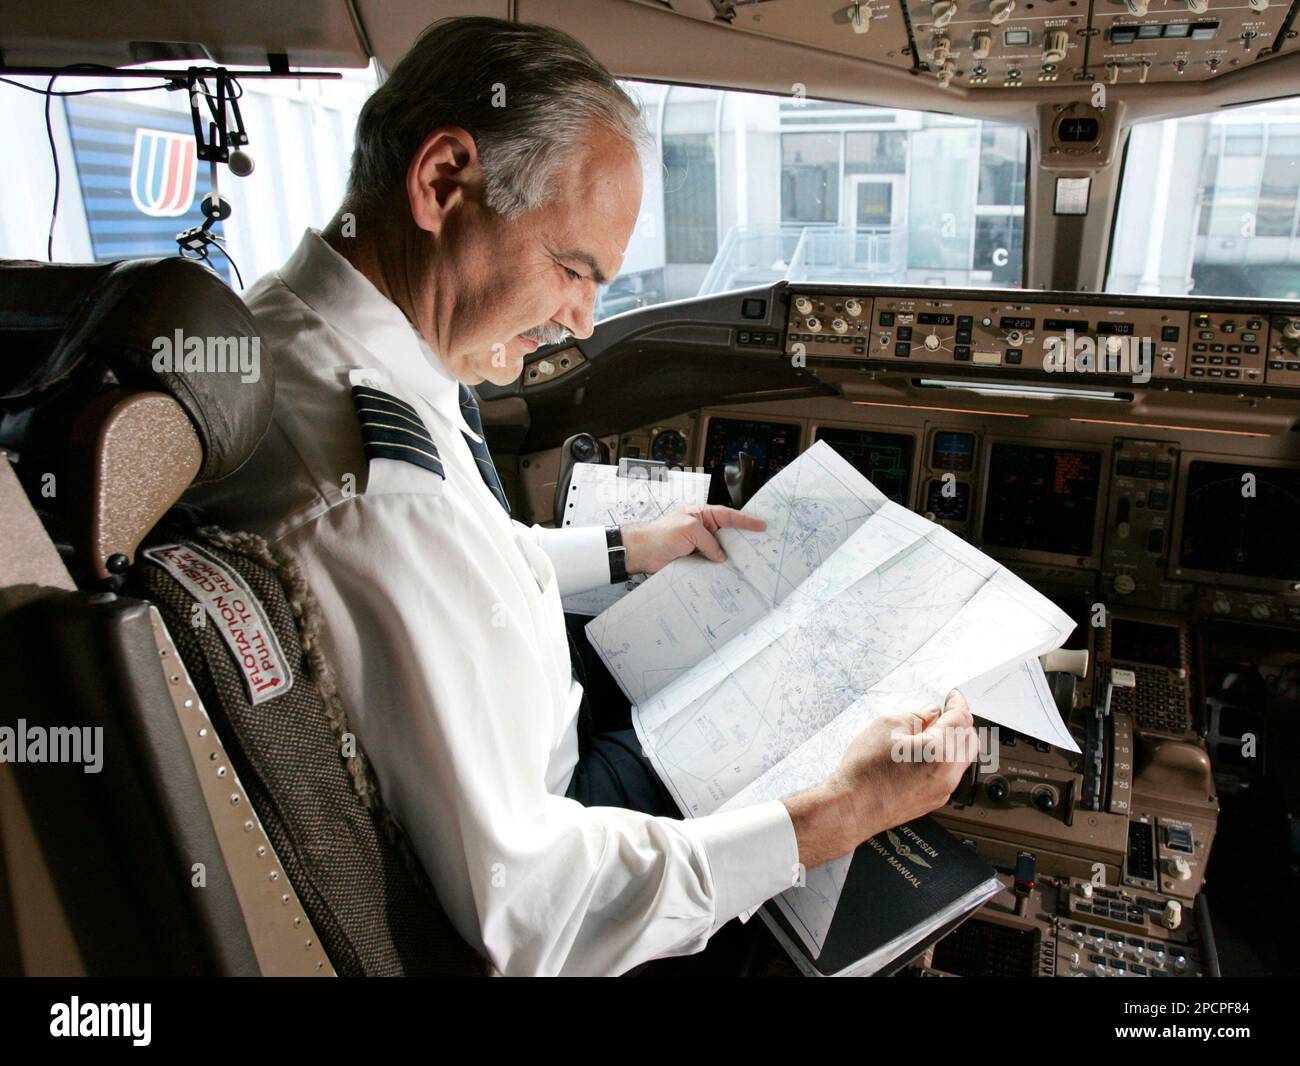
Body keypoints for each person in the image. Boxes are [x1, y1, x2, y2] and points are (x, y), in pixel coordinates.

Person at [192, 15, 977, 976]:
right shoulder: (372, 492)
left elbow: (468, 561)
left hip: (535, 746)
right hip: (561, 827)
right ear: (443, 182)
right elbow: (532, 911)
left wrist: (631, 549)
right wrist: (841, 813)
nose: (580, 322)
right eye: (573, 269)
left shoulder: (307, 338)